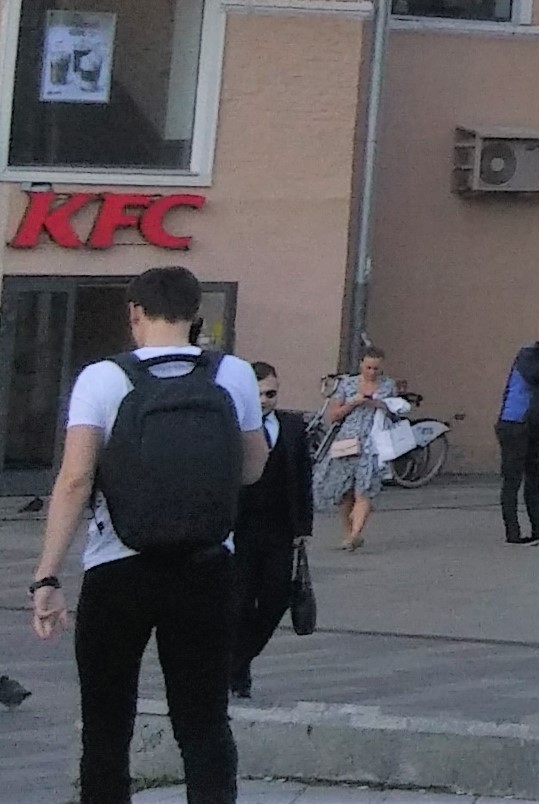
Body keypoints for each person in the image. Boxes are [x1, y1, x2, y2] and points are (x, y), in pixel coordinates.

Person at [30, 262, 266, 804]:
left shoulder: (102, 378)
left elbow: (74, 480)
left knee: (106, 723)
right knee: (204, 722)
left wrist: (47, 575)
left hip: (118, 567)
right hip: (207, 566)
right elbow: (254, 468)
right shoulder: (233, 374)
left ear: (135, 313)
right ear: (194, 315)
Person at [228, 358, 315, 698]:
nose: (265, 401)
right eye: (259, 394)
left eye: (271, 394)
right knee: (238, 604)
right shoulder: (232, 425)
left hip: (280, 529)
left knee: (276, 600)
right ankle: (238, 673)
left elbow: (303, 475)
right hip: (239, 529)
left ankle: (237, 663)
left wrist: (303, 525)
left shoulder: (292, 426)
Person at [494, 320, 539, 545]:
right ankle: (513, 533)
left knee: (535, 480)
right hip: (515, 425)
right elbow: (532, 375)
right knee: (513, 480)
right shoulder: (528, 355)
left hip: (535, 430)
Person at [316, 349, 397, 553]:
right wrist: (354, 402)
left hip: (373, 443)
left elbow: (395, 412)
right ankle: (348, 534)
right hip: (348, 441)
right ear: (361, 364)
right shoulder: (347, 384)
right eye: (368, 367)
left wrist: (378, 404)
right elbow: (334, 415)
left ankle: (355, 534)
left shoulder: (388, 385)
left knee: (364, 489)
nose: (372, 372)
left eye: (376, 368)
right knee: (345, 493)